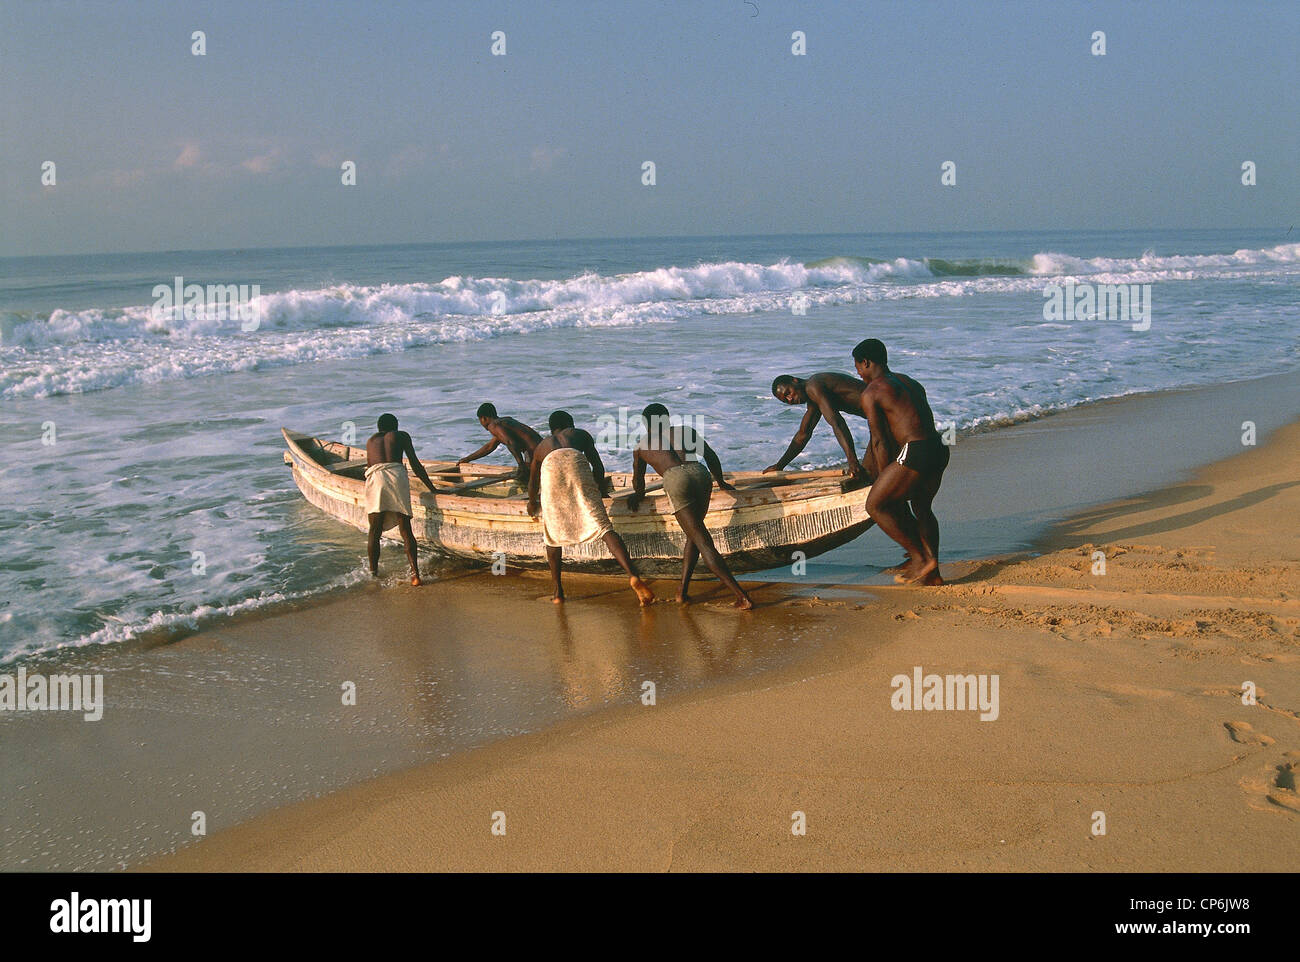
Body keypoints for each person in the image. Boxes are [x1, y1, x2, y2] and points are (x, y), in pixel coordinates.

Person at [628, 403, 754, 609]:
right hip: (700, 473)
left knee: (702, 540)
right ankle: (682, 591)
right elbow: (710, 456)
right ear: (667, 418)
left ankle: (742, 596)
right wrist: (720, 482)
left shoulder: (642, 445)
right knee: (695, 535)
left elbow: (638, 481)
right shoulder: (685, 431)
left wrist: (638, 495)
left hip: (676, 479)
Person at [527, 410, 656, 606]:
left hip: (550, 472)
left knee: (552, 535)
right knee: (603, 527)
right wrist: (599, 491)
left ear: (552, 429)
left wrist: (531, 502)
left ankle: (558, 593)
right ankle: (633, 575)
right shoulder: (579, 434)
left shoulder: (541, 446)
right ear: (570, 423)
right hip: (576, 464)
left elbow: (533, 481)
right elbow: (597, 466)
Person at [853, 338, 950, 586]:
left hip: (916, 450)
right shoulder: (910, 382)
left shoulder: (872, 392)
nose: (858, 374)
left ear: (866, 362)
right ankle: (934, 574)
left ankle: (919, 558)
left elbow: (879, 441)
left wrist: (883, 476)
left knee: (876, 504)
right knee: (922, 508)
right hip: (938, 448)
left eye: (858, 367)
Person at [365, 413, 438, 585]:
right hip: (396, 476)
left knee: (374, 530)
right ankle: (415, 575)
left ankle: (373, 574)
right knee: (405, 528)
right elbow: (415, 463)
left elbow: (371, 466)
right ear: (395, 425)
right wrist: (432, 488)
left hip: (375, 478)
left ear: (378, 428)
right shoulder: (401, 435)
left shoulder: (370, 441)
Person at [764, 372, 872, 487]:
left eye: (788, 393)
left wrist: (853, 461)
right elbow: (803, 435)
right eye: (786, 400)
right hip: (880, 417)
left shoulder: (813, 386)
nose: (790, 399)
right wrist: (780, 465)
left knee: (868, 473)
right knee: (867, 474)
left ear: (794, 380)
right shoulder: (814, 398)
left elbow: (837, 423)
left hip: (887, 412)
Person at [457, 403, 543, 481]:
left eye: (480, 420)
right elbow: (489, 447)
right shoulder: (504, 423)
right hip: (543, 449)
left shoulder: (493, 425)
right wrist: (467, 459)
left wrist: (521, 465)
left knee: (525, 478)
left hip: (534, 452)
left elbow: (510, 442)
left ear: (484, 418)